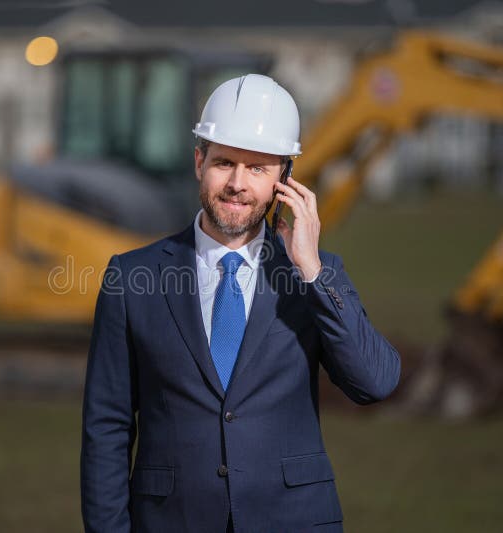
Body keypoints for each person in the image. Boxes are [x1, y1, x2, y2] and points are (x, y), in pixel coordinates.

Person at [80, 74, 401, 533]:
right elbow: (106, 428)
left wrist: (310, 270)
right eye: (224, 162)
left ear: (283, 180)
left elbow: (376, 382)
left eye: (258, 168)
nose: (237, 183)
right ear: (198, 161)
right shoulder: (132, 277)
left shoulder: (314, 273)